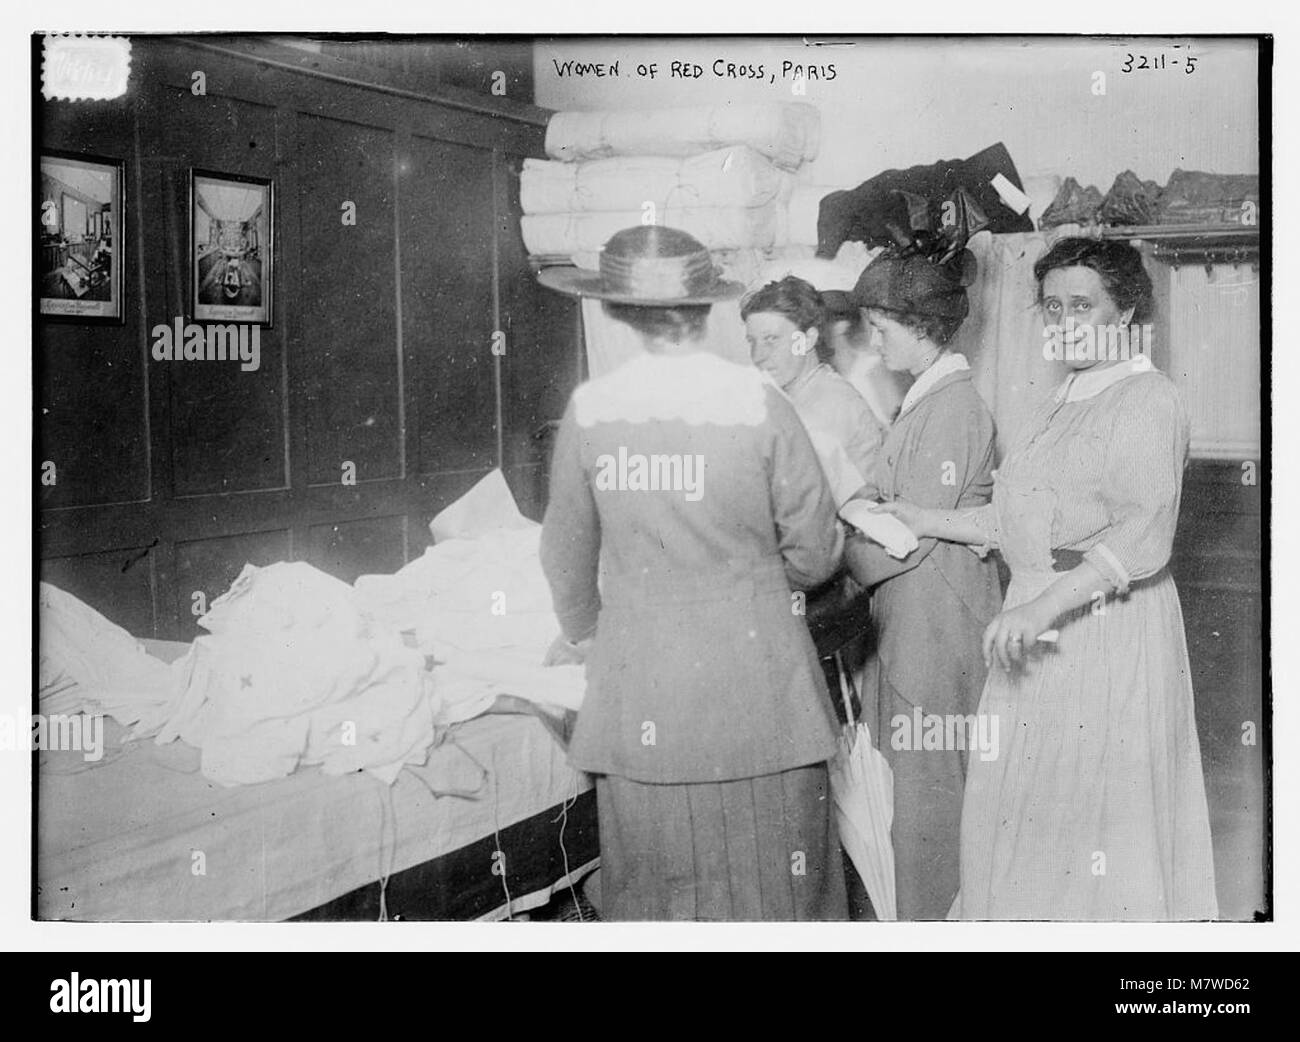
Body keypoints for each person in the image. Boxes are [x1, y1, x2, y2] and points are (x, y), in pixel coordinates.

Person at [880, 237, 1218, 920]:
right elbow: (1019, 525)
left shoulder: (1147, 399)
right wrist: (919, 516)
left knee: (1089, 821)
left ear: (1124, 312)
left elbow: (1141, 538)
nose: (1064, 320)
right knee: (1020, 810)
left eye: (1083, 305)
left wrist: (1040, 611)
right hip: (1036, 624)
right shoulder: (1058, 398)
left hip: (1102, 627)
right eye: (1052, 305)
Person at [537, 225, 849, 921]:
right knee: (784, 892)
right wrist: (759, 589)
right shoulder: (761, 402)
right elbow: (818, 553)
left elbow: (564, 557)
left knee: (659, 894)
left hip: (642, 700)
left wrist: (595, 633)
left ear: (615, 313)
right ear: (706, 311)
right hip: (765, 697)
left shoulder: (590, 412)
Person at [840, 247, 1003, 920]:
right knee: (915, 798)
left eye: (882, 329)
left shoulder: (953, 409)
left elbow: (903, 537)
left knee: (928, 810)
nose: (873, 344)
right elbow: (881, 500)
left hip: (936, 628)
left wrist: (840, 547)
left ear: (924, 326)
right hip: (915, 622)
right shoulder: (925, 402)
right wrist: (863, 515)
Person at [741, 276, 885, 501]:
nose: (758, 356)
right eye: (752, 341)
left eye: (771, 339)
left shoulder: (830, 404)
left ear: (808, 339)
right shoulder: (799, 392)